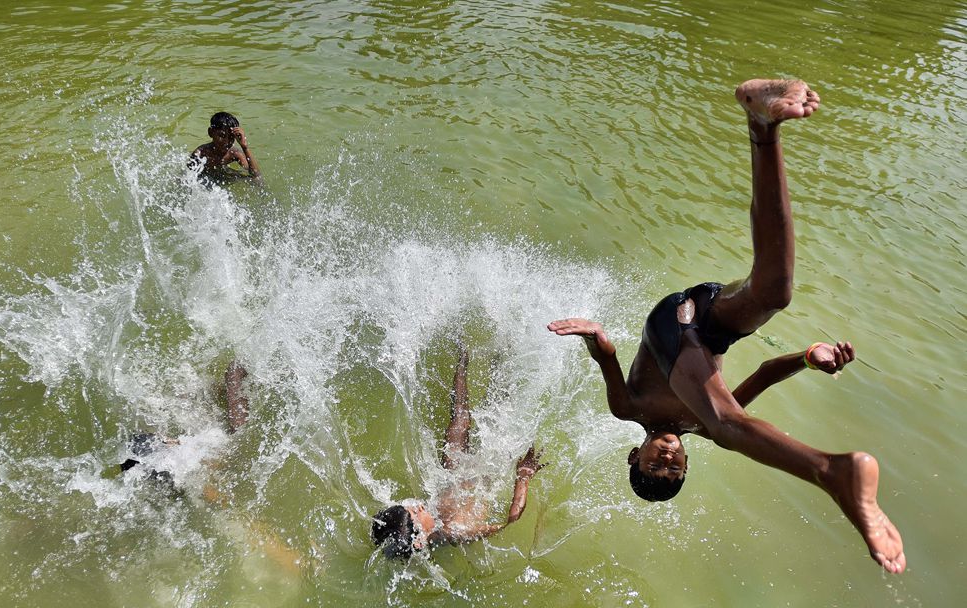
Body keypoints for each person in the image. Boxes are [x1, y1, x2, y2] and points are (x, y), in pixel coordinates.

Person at [548, 79, 906, 574]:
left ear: (635, 454)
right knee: (773, 290)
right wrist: (808, 357)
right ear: (686, 465)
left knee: (727, 425)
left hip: (669, 325)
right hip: (707, 325)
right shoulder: (701, 423)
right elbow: (761, 373)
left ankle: (832, 471)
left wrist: (593, 333)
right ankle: (763, 125)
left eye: (655, 463)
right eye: (673, 468)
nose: (667, 458)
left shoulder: (628, 408)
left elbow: (607, 356)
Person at [371, 346, 544, 560]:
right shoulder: (455, 532)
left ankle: (462, 357)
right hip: (485, 470)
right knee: (498, 410)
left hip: (451, 473)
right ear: (419, 540)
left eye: (410, 508)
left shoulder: (422, 530)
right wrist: (524, 477)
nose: (416, 506)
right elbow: (509, 523)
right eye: (415, 513)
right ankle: (504, 356)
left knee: (460, 417)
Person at [189, 112, 262, 183]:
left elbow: (256, 174)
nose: (227, 142)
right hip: (205, 177)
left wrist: (245, 147)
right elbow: (188, 174)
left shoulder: (234, 153)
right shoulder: (201, 152)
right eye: (222, 136)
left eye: (231, 137)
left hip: (225, 177)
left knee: (255, 180)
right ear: (210, 132)